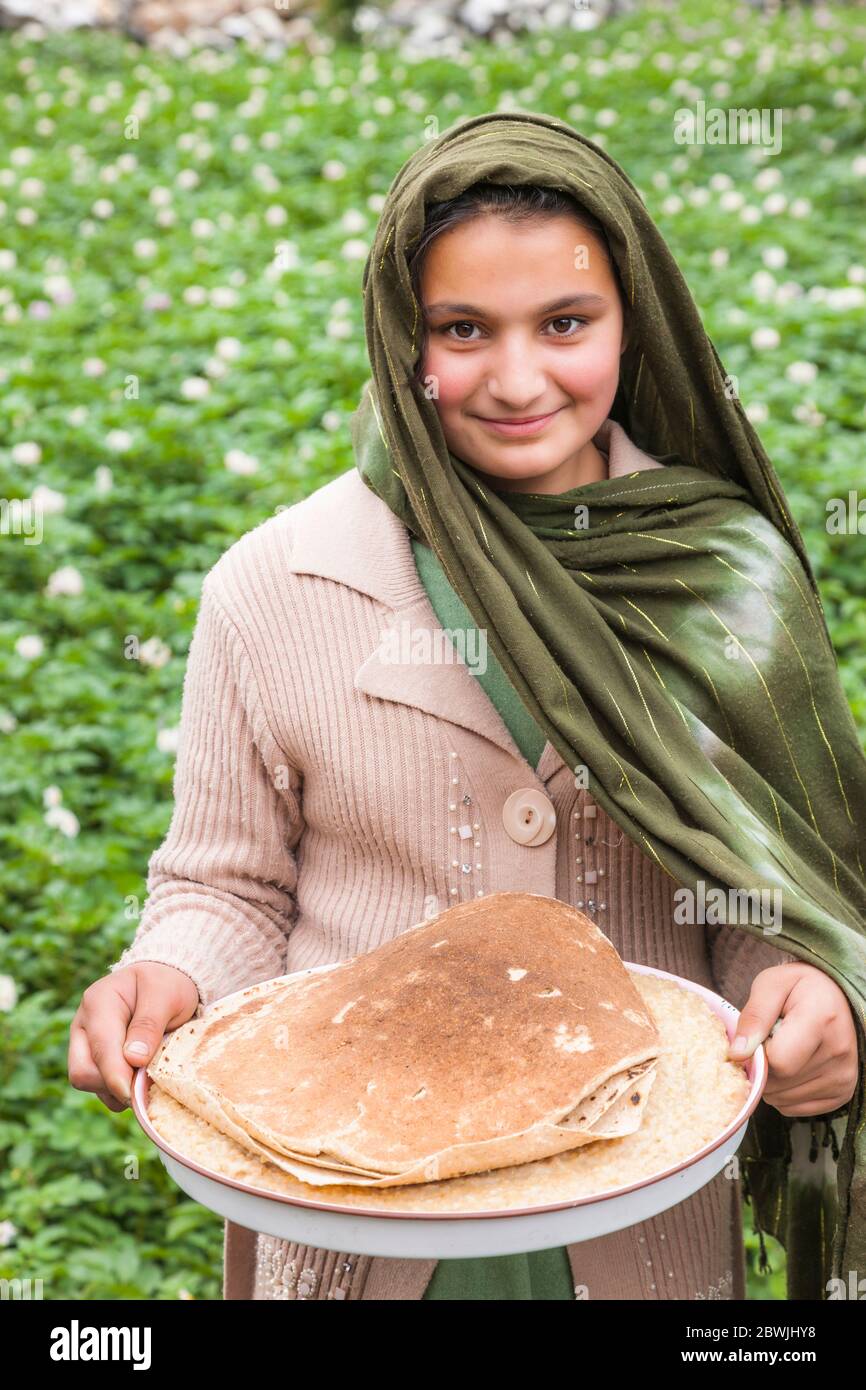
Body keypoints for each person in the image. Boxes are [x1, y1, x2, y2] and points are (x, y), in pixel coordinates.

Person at [68, 112, 864, 1301]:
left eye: (564, 323)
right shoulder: (274, 586)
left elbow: (758, 878)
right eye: (460, 330)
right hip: (354, 1215)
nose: (515, 379)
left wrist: (805, 983)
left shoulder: (715, 575)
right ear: (403, 339)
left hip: (636, 1219)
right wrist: (167, 975)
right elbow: (227, 886)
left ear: (631, 319)